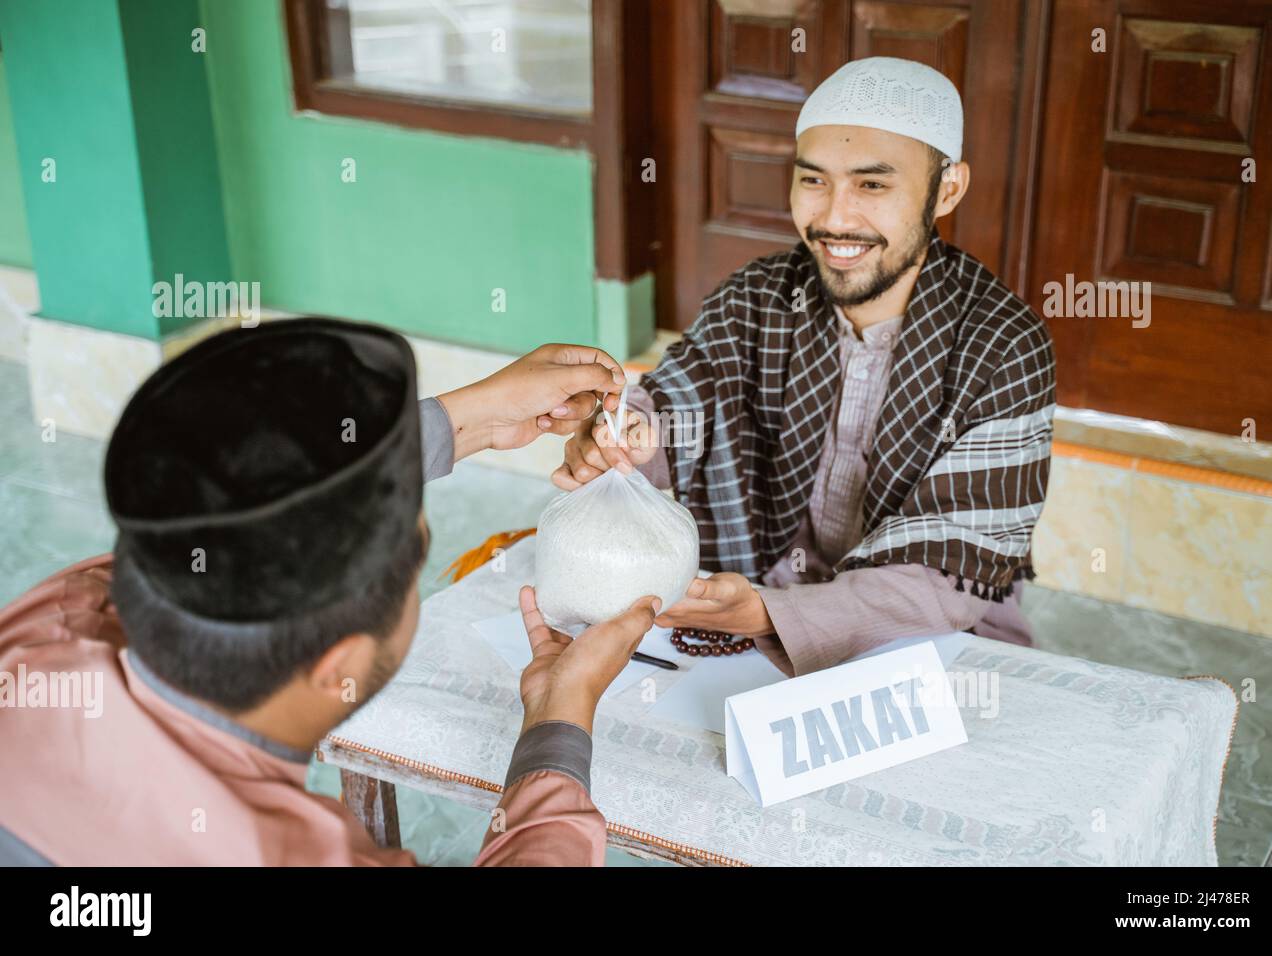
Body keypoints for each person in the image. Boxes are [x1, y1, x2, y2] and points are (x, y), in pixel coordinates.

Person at [0, 319, 655, 866]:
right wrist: (559, 717)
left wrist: (475, 419)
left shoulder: (54, 620)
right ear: (335, 668)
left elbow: (228, 506)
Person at [554, 57, 1056, 677]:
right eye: (814, 180)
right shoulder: (760, 295)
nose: (835, 218)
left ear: (946, 189)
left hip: (934, 633)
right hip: (754, 588)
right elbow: (681, 399)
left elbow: (948, 572)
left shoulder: (1004, 342)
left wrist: (772, 615)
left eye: (872, 185)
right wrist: (625, 435)